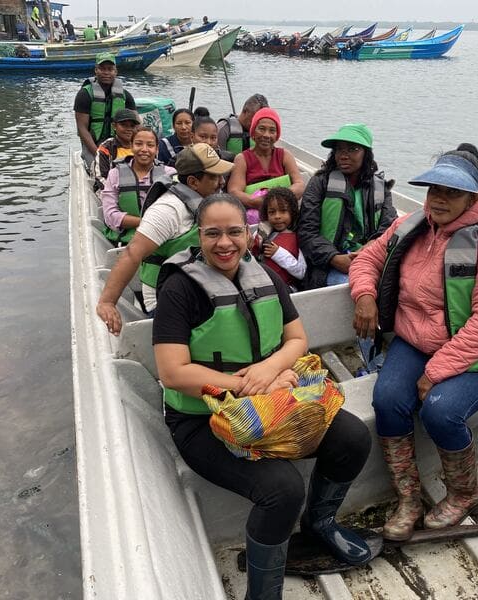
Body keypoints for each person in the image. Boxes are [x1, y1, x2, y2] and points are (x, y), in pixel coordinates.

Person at [153, 193, 373, 599]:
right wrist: (249, 383)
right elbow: (173, 371)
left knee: (353, 438)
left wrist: (270, 370)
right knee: (282, 490)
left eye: (234, 232)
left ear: (249, 233)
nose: (225, 243)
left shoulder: (264, 275)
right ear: (197, 236)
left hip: (271, 404)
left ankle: (320, 525)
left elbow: (297, 339)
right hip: (204, 420)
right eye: (212, 233)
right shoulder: (181, 290)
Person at [348, 144, 478, 539]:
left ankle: (465, 494)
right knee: (387, 400)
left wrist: (436, 371)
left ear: (474, 196)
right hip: (417, 341)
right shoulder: (413, 225)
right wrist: (364, 296)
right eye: (434, 190)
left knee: (441, 410)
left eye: (452, 192)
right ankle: (409, 497)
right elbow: (366, 259)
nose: (439, 199)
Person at [97, 143, 233, 322]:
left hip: (199, 287)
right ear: (193, 182)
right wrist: (107, 302)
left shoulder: (207, 201)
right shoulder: (168, 209)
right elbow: (132, 253)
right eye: (215, 177)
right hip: (166, 297)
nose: (222, 182)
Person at [298, 123, 397, 289]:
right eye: (339, 149)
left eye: (353, 149)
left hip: (369, 257)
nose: (343, 155)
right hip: (327, 262)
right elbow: (306, 232)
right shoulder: (319, 182)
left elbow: (390, 227)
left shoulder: (380, 188)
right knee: (354, 286)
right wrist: (334, 258)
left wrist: (371, 245)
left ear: (366, 154)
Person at [227, 107, 304, 224]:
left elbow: (299, 184)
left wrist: (278, 199)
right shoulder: (242, 159)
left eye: (272, 131)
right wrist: (255, 201)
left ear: (277, 135)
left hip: (281, 213)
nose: (266, 135)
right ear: (253, 132)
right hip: (253, 215)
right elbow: (234, 191)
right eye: (261, 129)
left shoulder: (285, 155)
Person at [100, 127, 165, 247]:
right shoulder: (115, 174)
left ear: (157, 149)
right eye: (139, 144)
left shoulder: (169, 174)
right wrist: (145, 223)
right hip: (125, 242)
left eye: (150, 145)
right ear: (131, 146)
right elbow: (110, 216)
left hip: (161, 240)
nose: (144, 149)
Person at [74, 52, 135, 167]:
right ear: (96, 70)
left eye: (110, 69)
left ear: (115, 71)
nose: (106, 72)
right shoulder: (84, 94)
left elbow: (136, 124)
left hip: (118, 143)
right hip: (93, 143)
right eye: (102, 69)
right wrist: (98, 154)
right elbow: (82, 128)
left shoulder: (125, 95)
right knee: (99, 168)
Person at [251, 188, 306, 290]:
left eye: (283, 211)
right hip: (260, 284)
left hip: (285, 289)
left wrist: (277, 253)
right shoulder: (260, 233)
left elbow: (301, 272)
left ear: (292, 212)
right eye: (272, 212)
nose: (277, 216)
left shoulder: (299, 237)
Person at [93, 108, 140, 191]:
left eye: (132, 126)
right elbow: (101, 178)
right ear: (114, 126)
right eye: (124, 125)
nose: (129, 129)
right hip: (112, 192)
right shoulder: (106, 148)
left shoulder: (142, 146)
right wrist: (118, 192)